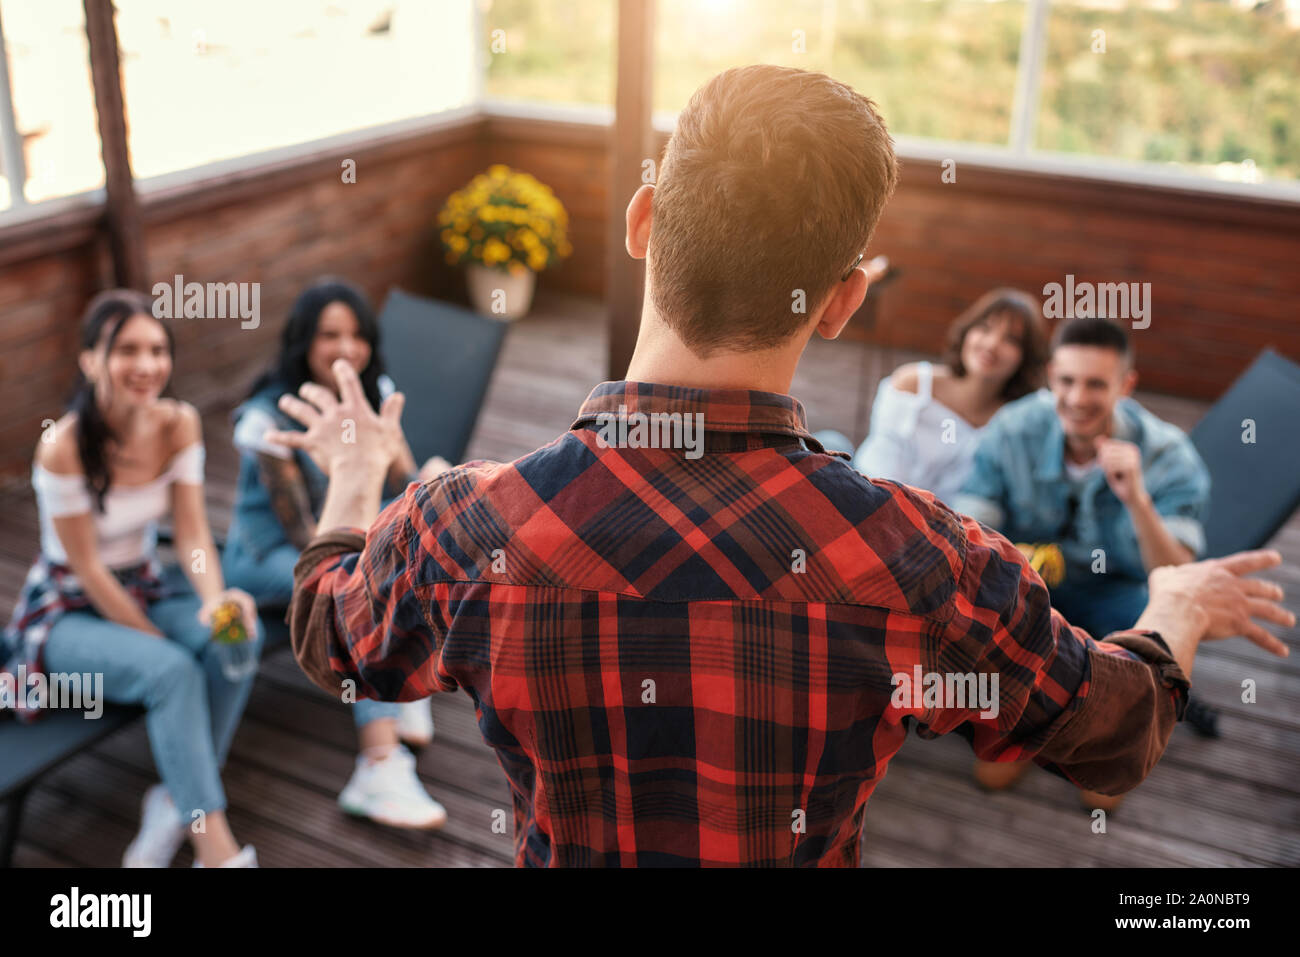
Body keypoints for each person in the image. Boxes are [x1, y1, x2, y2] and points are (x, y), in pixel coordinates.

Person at [275, 66, 1291, 866]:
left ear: (640, 225)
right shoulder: (921, 561)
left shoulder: (463, 527)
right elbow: (1112, 732)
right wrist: (1178, 607)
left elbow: (334, 637)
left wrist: (359, 480)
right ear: (844, 301)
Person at [1, 290, 262, 868]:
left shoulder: (179, 422)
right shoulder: (62, 446)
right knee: (172, 670)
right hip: (67, 611)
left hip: (145, 583)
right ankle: (214, 848)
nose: (147, 365)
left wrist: (216, 601)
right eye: (127, 350)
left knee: (236, 635)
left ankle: (177, 796)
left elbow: (192, 534)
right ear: (91, 360)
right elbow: (88, 568)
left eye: (157, 349)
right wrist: (155, 639)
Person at [952, 316, 1214, 807]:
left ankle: (1109, 742)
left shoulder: (1169, 454)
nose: (1077, 398)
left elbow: (1178, 574)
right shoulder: (1012, 431)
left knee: (1101, 793)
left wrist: (1137, 499)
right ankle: (1022, 729)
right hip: (1033, 584)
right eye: (1067, 380)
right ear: (1051, 374)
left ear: (1126, 385)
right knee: (992, 775)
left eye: (1096, 384)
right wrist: (1008, 553)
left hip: (1122, 593)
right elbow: (973, 523)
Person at [222, 278, 448, 829]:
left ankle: (402, 672)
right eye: (329, 336)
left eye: (357, 335)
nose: (347, 349)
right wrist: (379, 558)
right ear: (303, 342)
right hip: (265, 556)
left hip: (345, 537)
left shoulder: (373, 392)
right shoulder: (266, 421)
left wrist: (432, 482)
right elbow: (307, 541)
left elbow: (401, 478)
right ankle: (377, 763)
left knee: (421, 514)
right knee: (358, 590)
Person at [814, 288, 1048, 505]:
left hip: (940, 531)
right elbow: (880, 468)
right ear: (968, 331)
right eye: (985, 328)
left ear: (1025, 356)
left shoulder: (1015, 419)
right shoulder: (914, 383)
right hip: (869, 497)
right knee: (830, 445)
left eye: (1011, 339)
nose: (992, 344)